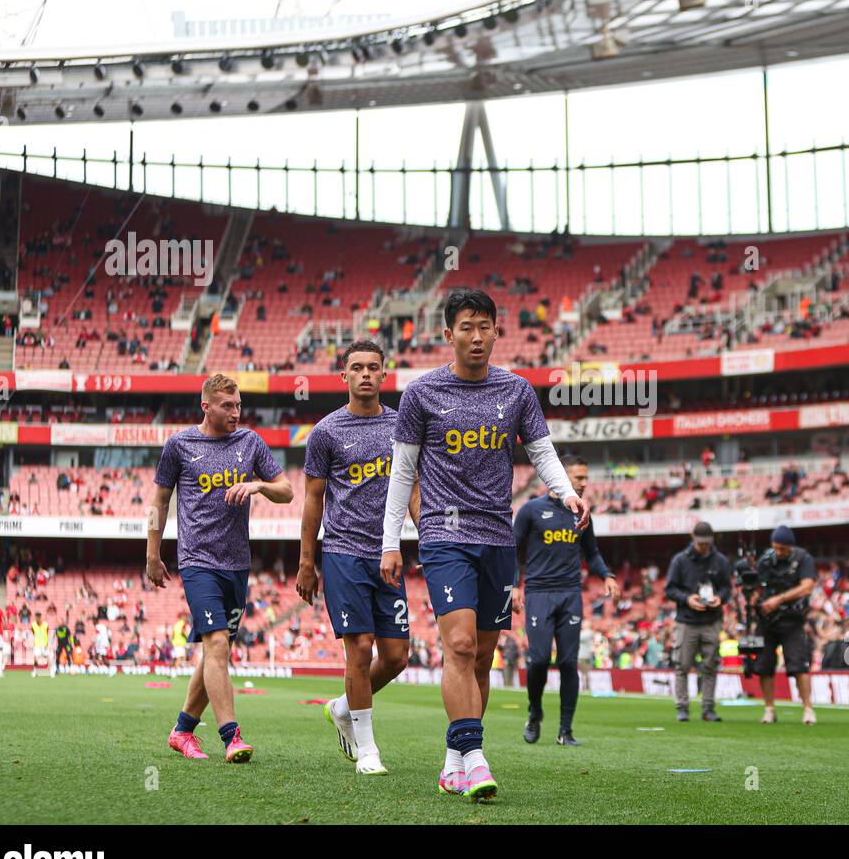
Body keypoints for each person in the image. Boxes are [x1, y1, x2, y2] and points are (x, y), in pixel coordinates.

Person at [379, 288, 588, 802]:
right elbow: (402, 472)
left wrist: (566, 491)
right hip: (444, 534)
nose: (476, 336)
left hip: (497, 536)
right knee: (461, 644)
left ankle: (454, 761)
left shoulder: (516, 392)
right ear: (447, 334)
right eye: (466, 327)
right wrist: (391, 542)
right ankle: (474, 756)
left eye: (485, 326)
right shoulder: (420, 394)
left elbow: (542, 452)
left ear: (498, 331)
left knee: (482, 658)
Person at [150, 373, 293, 763]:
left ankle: (182, 731)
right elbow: (160, 500)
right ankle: (231, 736)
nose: (235, 412)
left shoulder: (250, 442)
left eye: (239, 405)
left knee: (218, 649)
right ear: (206, 406)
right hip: (197, 561)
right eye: (227, 405)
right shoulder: (179, 445)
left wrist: (258, 486)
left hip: (237, 564)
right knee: (216, 643)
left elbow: (287, 490)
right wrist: (152, 551)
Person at [297, 339, 420, 776]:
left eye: (373, 367)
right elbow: (313, 500)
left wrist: (430, 537)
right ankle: (367, 751)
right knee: (359, 648)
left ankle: (344, 707)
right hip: (344, 552)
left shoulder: (404, 425)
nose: (365, 374)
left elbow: (414, 486)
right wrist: (306, 562)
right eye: (357, 367)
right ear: (344, 376)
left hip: (388, 555)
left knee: (395, 656)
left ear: (384, 375)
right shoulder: (326, 431)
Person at [512, 453, 618, 746]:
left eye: (586, 478)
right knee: (539, 659)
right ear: (561, 476)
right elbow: (512, 549)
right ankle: (534, 711)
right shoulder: (531, 511)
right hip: (539, 593)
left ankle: (565, 730)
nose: (584, 484)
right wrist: (514, 586)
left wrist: (606, 575)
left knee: (569, 662)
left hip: (571, 593)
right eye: (579, 478)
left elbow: (592, 553)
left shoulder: (582, 512)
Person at [664, 521, 733, 722]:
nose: (703, 546)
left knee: (711, 665)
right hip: (687, 620)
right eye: (700, 542)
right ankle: (682, 707)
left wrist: (720, 598)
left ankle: (708, 708)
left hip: (712, 620)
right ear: (693, 538)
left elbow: (727, 588)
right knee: (682, 665)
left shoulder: (720, 561)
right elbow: (670, 589)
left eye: (706, 543)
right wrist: (687, 599)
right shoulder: (680, 561)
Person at [752, 525, 818, 726]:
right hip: (766, 620)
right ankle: (769, 708)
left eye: (783, 549)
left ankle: (808, 708)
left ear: (791, 547)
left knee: (799, 665)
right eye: (776, 547)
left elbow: (807, 586)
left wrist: (779, 599)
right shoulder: (765, 559)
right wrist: (755, 598)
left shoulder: (803, 558)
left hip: (792, 619)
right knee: (764, 666)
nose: (779, 552)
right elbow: (756, 585)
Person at [30, 612, 53, 678]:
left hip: (44, 645)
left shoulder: (45, 624)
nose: (37, 619)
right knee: (35, 658)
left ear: (40, 617)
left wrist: (48, 644)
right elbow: (33, 633)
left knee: (48, 657)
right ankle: (35, 671)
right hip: (37, 644)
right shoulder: (33, 624)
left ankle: (51, 672)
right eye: (36, 617)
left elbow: (48, 633)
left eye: (38, 617)